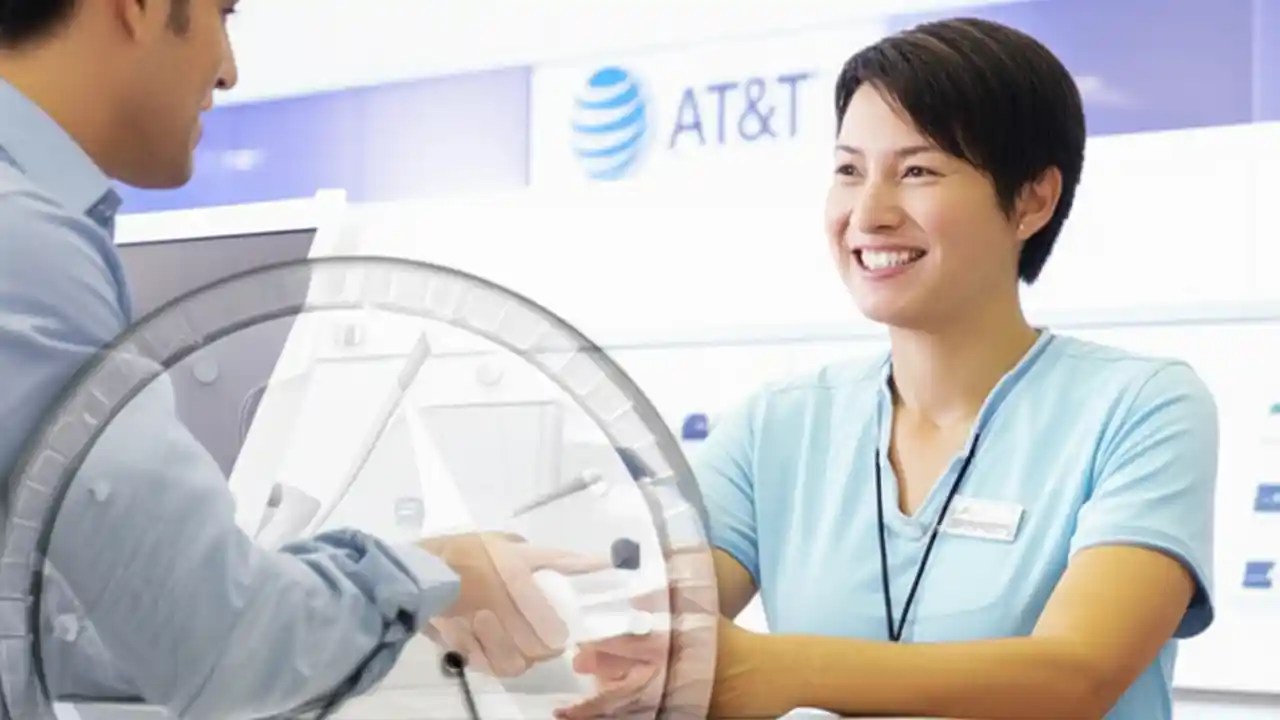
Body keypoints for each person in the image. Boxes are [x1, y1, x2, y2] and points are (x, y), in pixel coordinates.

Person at [561, 17, 1219, 720]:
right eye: (849, 170)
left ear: (1032, 199)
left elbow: (1075, 675)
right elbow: (654, 617)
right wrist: (501, 581)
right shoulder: (779, 423)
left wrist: (782, 668)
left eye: (917, 171)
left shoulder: (1141, 407)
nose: (868, 213)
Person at [0, 1, 598, 717]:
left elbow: (43, 633)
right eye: (222, 14)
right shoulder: (29, 246)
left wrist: (385, 598)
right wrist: (443, 571)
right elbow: (223, 648)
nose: (228, 70)